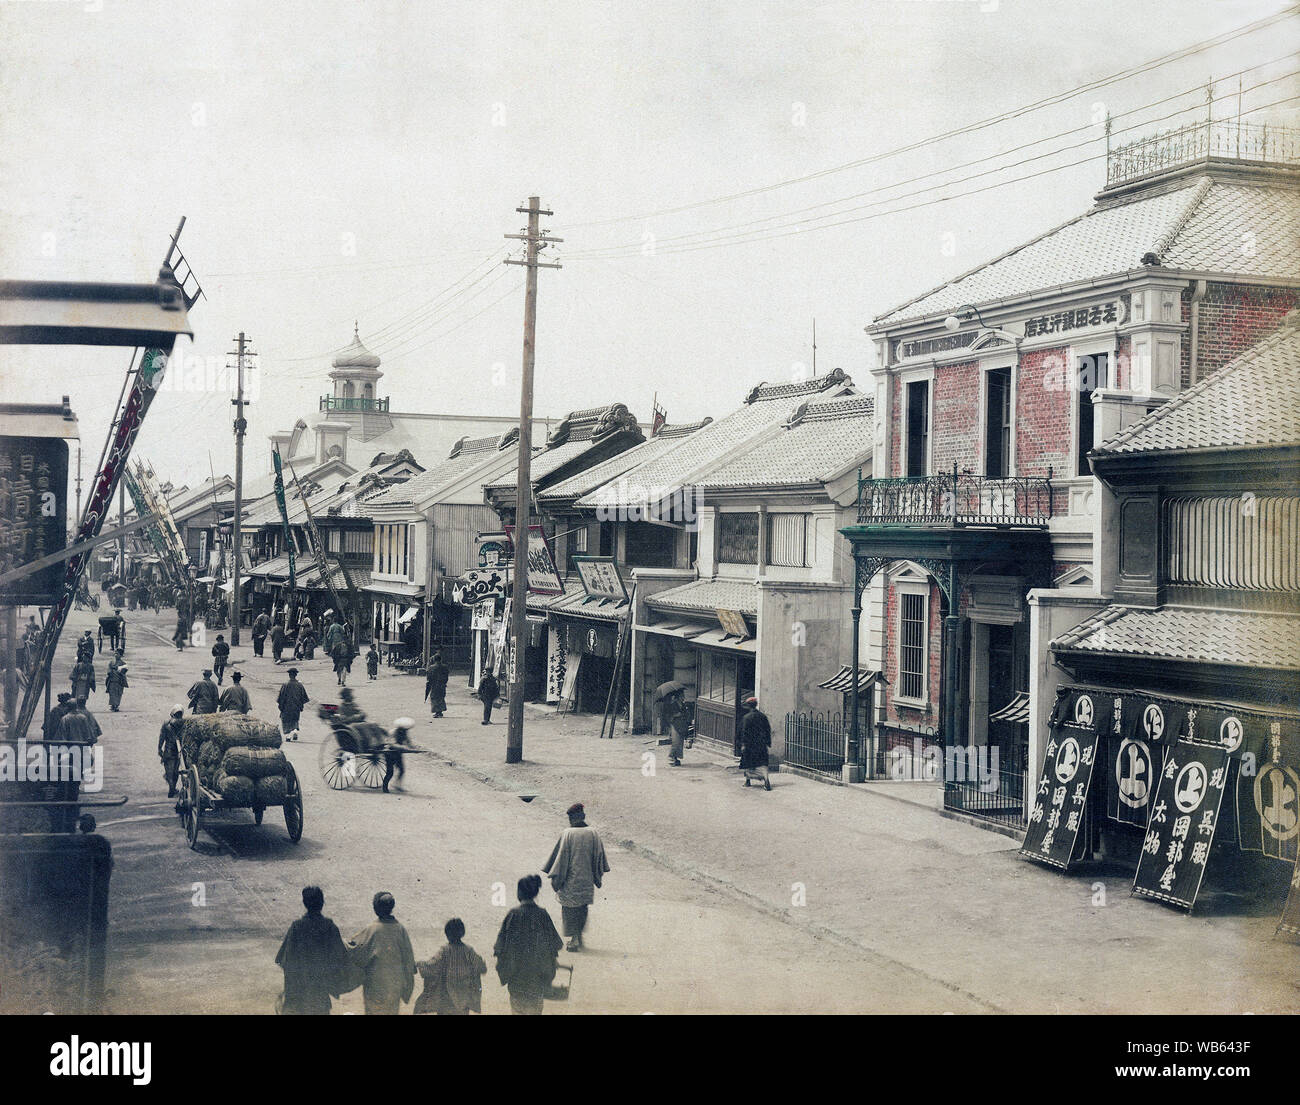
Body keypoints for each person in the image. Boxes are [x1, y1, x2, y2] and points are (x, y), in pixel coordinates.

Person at [542, 802, 611, 952]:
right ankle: (578, 936)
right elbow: (599, 857)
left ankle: (574, 939)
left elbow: (559, 858)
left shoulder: (568, 833)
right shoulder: (593, 833)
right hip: (586, 880)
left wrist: (557, 878)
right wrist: (596, 876)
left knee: (569, 910)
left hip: (570, 880)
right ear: (583, 816)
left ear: (571, 819)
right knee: (582, 908)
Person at [275, 886, 352, 1016]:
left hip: (298, 993)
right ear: (322, 903)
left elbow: (283, 960)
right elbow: (341, 959)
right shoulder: (329, 926)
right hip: (320, 992)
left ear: (304, 903)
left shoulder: (297, 926)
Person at [493, 874, 562, 1015]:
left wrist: (504, 967)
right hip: (537, 979)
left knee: (517, 1010)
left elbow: (500, 947)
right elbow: (555, 944)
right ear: (536, 892)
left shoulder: (513, 915)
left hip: (516, 978)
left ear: (519, 893)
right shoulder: (542, 915)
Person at [348, 892, 416, 1015]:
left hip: (375, 985)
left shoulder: (372, 929)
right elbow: (409, 960)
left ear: (376, 908)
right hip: (394, 985)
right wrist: (407, 985)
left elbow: (355, 951)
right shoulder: (400, 929)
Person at [414, 918, 487, 1015]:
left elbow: (432, 966)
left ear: (447, 934)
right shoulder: (469, 951)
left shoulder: (445, 950)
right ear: (462, 933)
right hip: (464, 996)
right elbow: (481, 968)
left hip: (447, 997)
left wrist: (419, 964)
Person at [738, 695, 772, 791]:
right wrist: (767, 742)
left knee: (747, 762)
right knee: (763, 763)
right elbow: (767, 730)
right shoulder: (763, 716)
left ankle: (748, 781)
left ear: (748, 706)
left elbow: (744, 732)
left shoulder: (746, 718)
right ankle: (766, 782)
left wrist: (743, 744)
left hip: (750, 745)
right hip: (761, 744)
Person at [158, 705, 185, 798]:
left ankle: (171, 788)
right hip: (178, 751)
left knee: (169, 771)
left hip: (168, 751)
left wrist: (159, 748)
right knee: (175, 771)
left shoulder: (166, 723)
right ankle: (173, 788)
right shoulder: (184, 723)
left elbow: (162, 737)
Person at [277, 668, 309, 740]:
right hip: (296, 706)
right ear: (296, 675)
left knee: (286, 721)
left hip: (286, 707)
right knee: (295, 720)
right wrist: (300, 705)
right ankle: (295, 731)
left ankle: (288, 736)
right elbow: (304, 697)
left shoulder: (285, 685)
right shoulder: (300, 685)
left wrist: (281, 706)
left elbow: (281, 697)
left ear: (289, 675)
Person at [662, 689, 691, 767]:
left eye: (683, 696)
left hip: (681, 724)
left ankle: (675, 758)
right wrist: (675, 715)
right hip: (675, 725)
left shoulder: (683, 705)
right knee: (675, 742)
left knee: (679, 742)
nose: (683, 697)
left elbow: (685, 714)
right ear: (678, 697)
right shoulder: (672, 705)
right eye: (682, 696)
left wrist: (685, 712)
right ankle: (671, 758)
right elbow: (667, 715)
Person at [383, 718, 412, 794]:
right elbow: (392, 744)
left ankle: (397, 785)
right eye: (404, 729)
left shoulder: (405, 733)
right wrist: (402, 747)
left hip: (398, 753)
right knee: (390, 773)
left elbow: (409, 742)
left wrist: (413, 748)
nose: (405, 731)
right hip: (389, 753)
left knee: (402, 770)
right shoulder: (393, 732)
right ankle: (384, 787)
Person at [424, 653, 448, 718]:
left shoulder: (431, 668)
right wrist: (444, 683)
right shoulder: (445, 667)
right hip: (442, 685)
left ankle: (438, 712)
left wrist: (428, 685)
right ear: (441, 659)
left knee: (434, 698)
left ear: (434, 660)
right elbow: (446, 677)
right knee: (441, 697)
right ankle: (440, 712)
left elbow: (428, 678)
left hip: (434, 685)